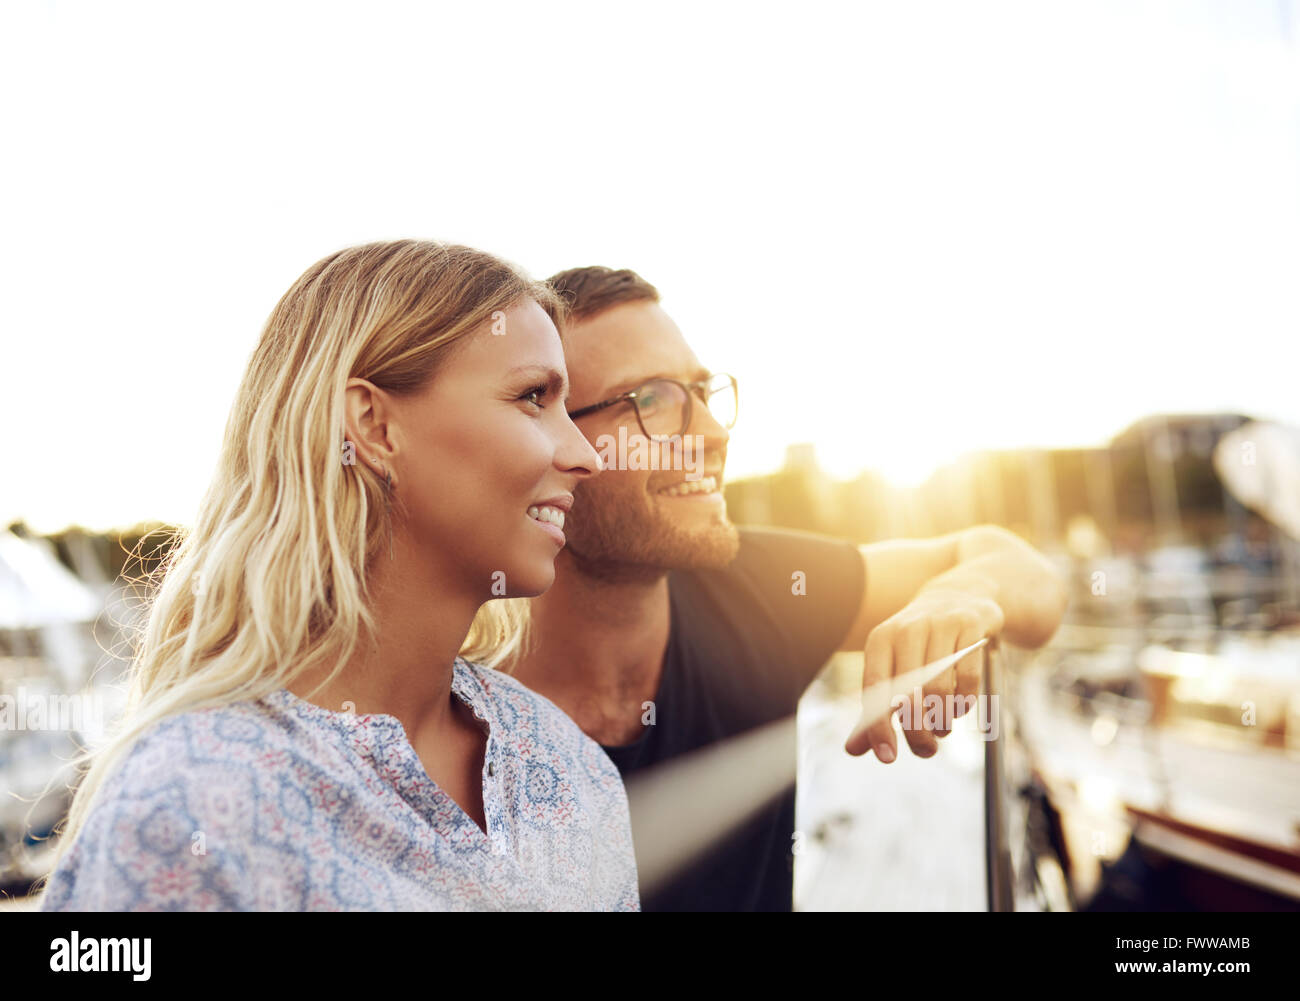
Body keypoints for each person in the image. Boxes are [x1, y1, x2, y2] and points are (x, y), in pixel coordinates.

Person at [36, 240, 638, 911]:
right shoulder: (187, 801)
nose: (585, 454)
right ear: (375, 425)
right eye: (532, 396)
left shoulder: (570, 766)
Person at [509, 266, 1070, 911]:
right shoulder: (460, 691)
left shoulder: (763, 593)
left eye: (703, 393)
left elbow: (1026, 578)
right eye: (654, 401)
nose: (715, 437)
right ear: (552, 438)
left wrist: (958, 598)